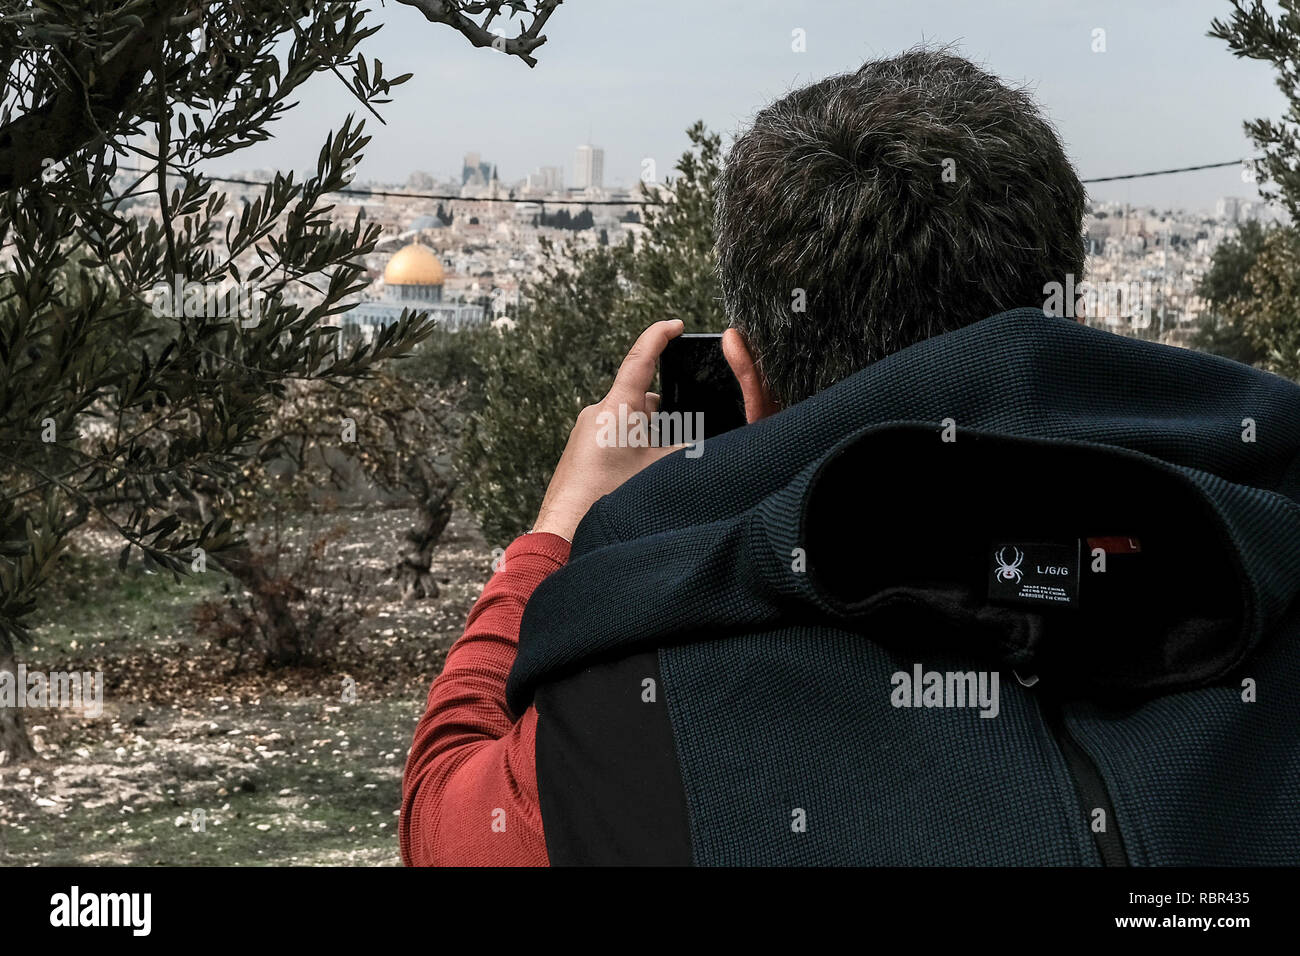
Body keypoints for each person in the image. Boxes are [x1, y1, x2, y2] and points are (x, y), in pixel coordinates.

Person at [400, 49, 1300, 866]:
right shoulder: (1264, 539)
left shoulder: (629, 724)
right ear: (1058, 326)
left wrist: (554, 532)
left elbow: (444, 815)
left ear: (745, 381)